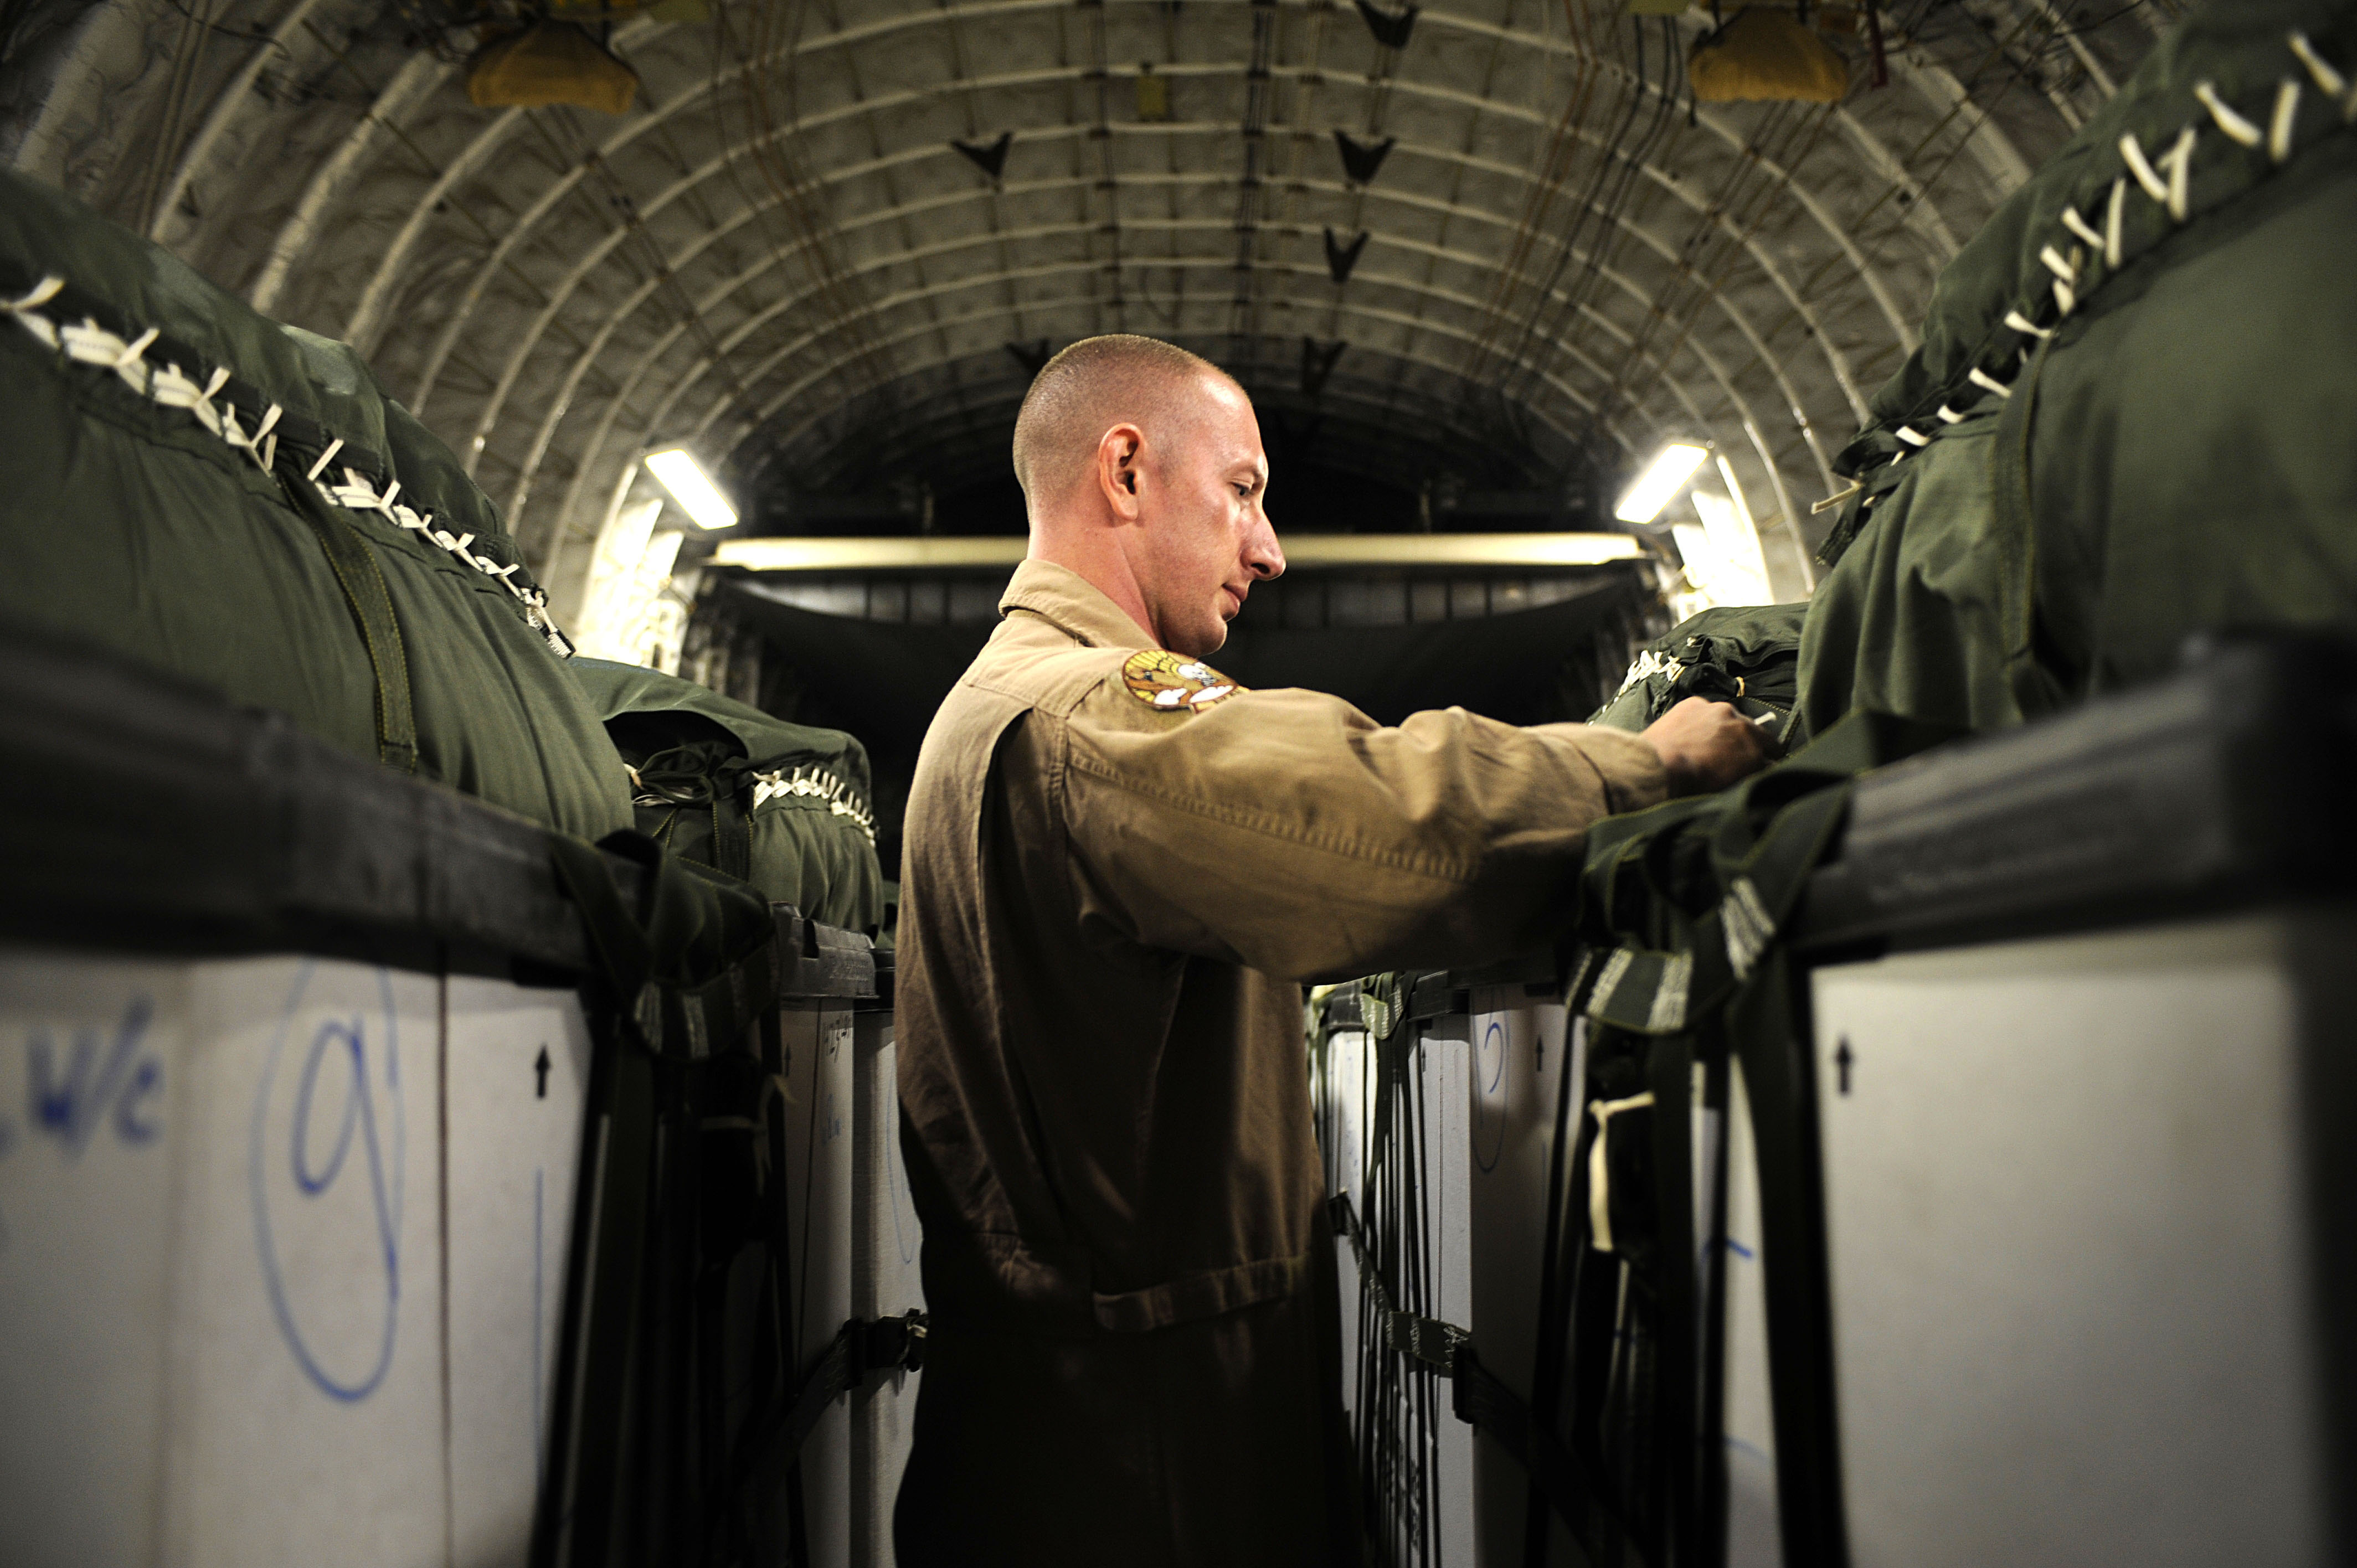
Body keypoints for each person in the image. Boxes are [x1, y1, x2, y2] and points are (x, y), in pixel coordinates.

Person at [892, 335, 1769, 1566]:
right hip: (1140, 1473)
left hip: (1078, 1439)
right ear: (1126, 472)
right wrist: (1650, 765)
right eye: (1242, 491)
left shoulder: (1000, 703)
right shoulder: (1089, 713)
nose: (1270, 548)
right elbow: (1382, 818)